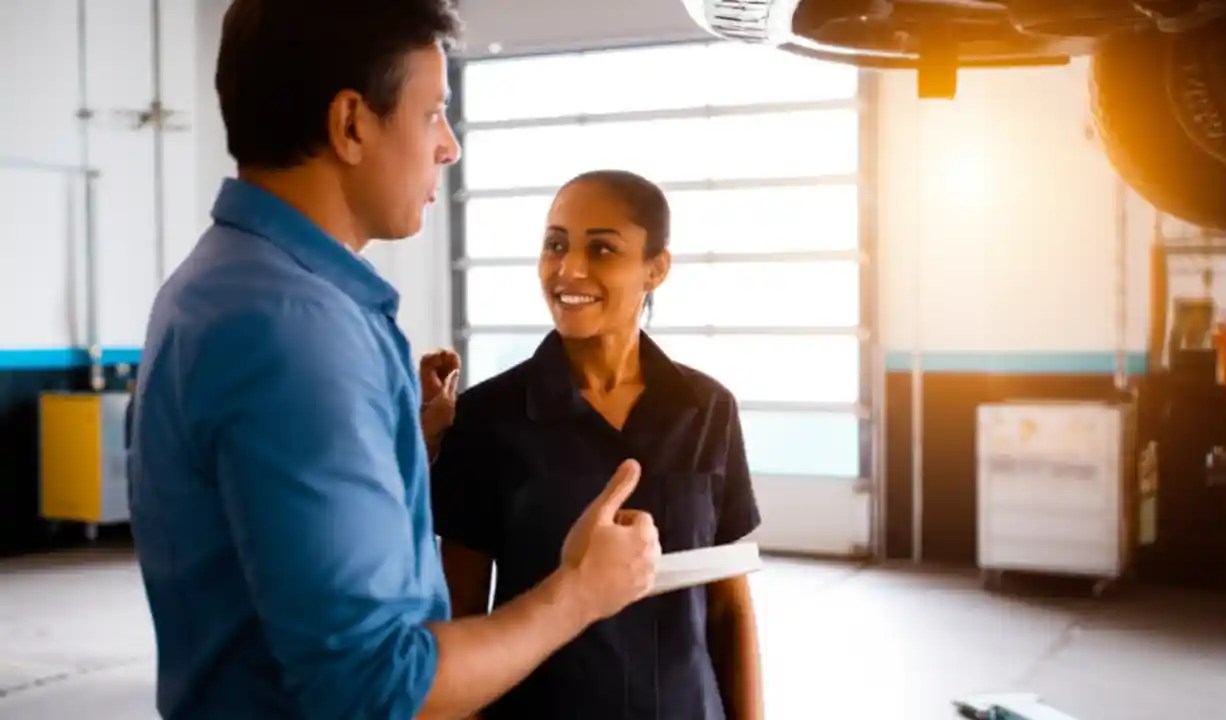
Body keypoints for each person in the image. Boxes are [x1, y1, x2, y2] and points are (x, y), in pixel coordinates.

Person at [125, 2, 660, 719]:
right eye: (433, 112)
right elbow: (376, 690)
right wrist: (579, 593)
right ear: (351, 124)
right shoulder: (296, 334)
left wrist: (398, 442)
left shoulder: (222, 284)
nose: (450, 147)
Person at [431, 170, 765, 719]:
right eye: (556, 245)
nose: (569, 269)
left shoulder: (710, 411)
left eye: (602, 249)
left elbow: (730, 609)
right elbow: (460, 612)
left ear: (656, 268)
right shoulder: (486, 419)